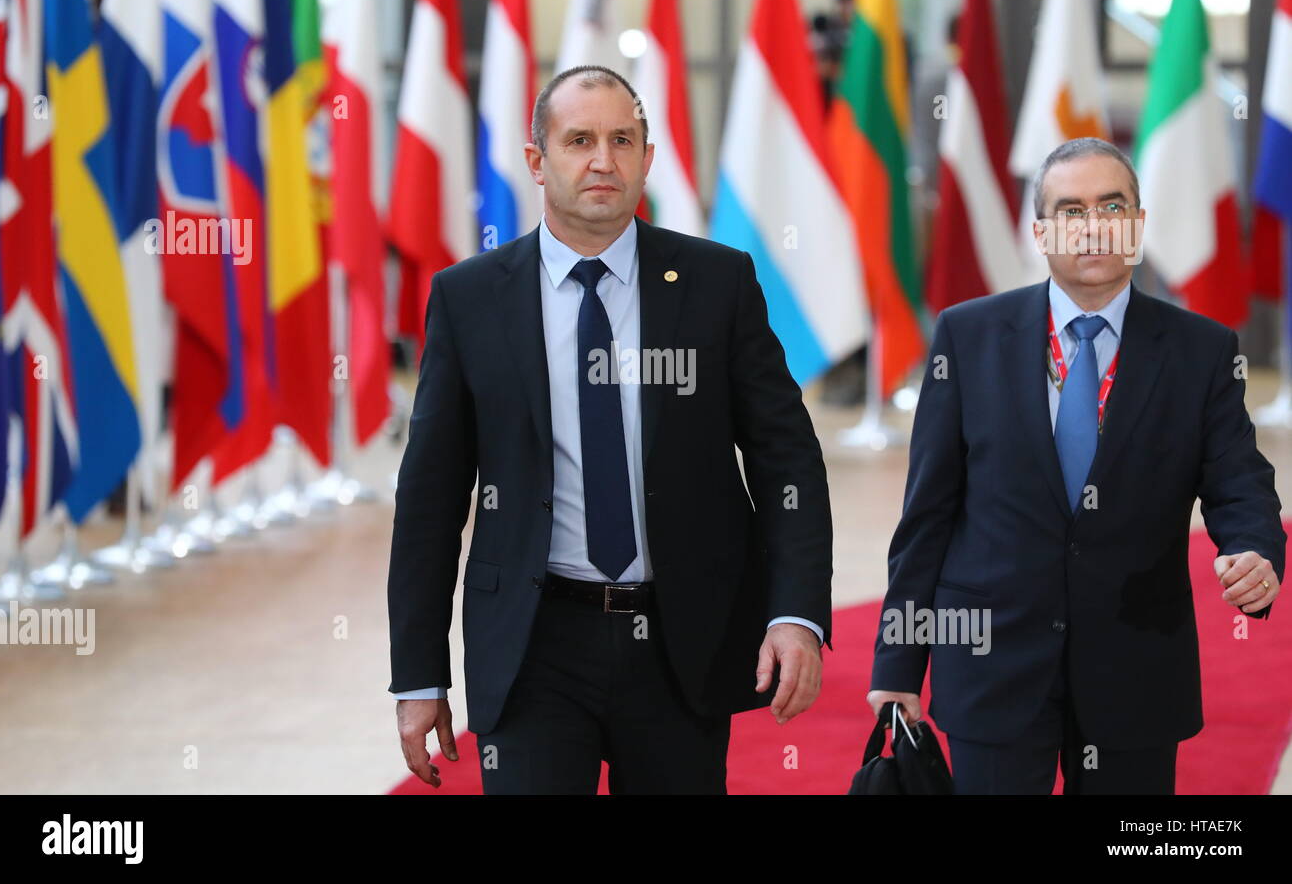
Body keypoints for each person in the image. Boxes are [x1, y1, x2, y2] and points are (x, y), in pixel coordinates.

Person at [388, 65, 833, 794]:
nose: (603, 160)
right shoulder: (468, 299)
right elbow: (430, 501)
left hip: (680, 640)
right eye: (579, 140)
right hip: (532, 643)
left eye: (623, 139)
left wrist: (796, 611)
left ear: (647, 157)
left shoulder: (717, 284)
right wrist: (417, 672)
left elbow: (788, 460)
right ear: (537, 160)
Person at [868, 136, 1285, 794]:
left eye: (1111, 206)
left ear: (1138, 225)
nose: (1092, 226)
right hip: (991, 668)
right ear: (1040, 230)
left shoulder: (1201, 350)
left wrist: (1256, 546)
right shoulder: (966, 337)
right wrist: (895, 662)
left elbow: (1239, 478)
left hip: (1137, 670)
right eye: (1070, 210)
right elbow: (928, 513)